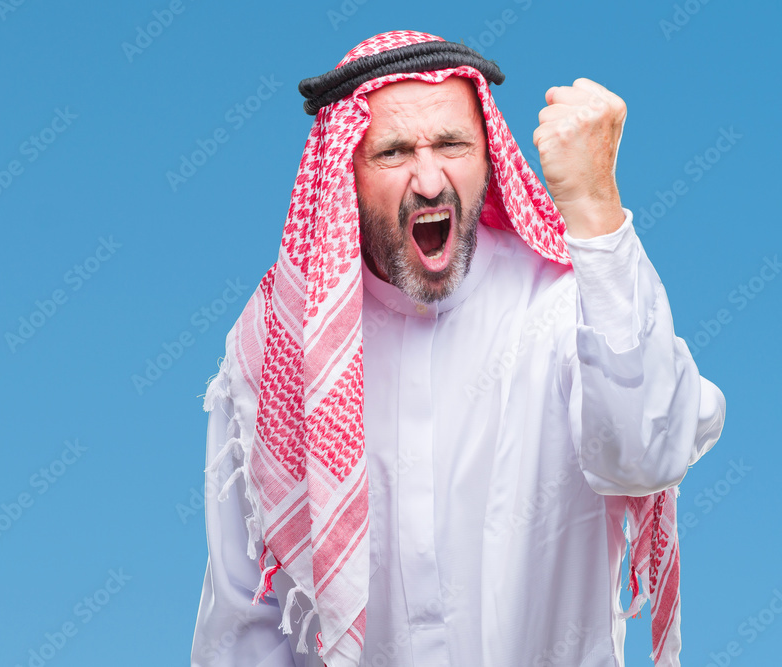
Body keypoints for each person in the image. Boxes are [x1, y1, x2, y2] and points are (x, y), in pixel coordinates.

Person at [191, 31, 725, 667]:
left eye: (452, 145)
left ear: (487, 158)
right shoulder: (280, 352)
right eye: (392, 152)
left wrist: (596, 206)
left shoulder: (565, 310)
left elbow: (646, 453)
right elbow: (247, 620)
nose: (428, 180)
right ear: (345, 173)